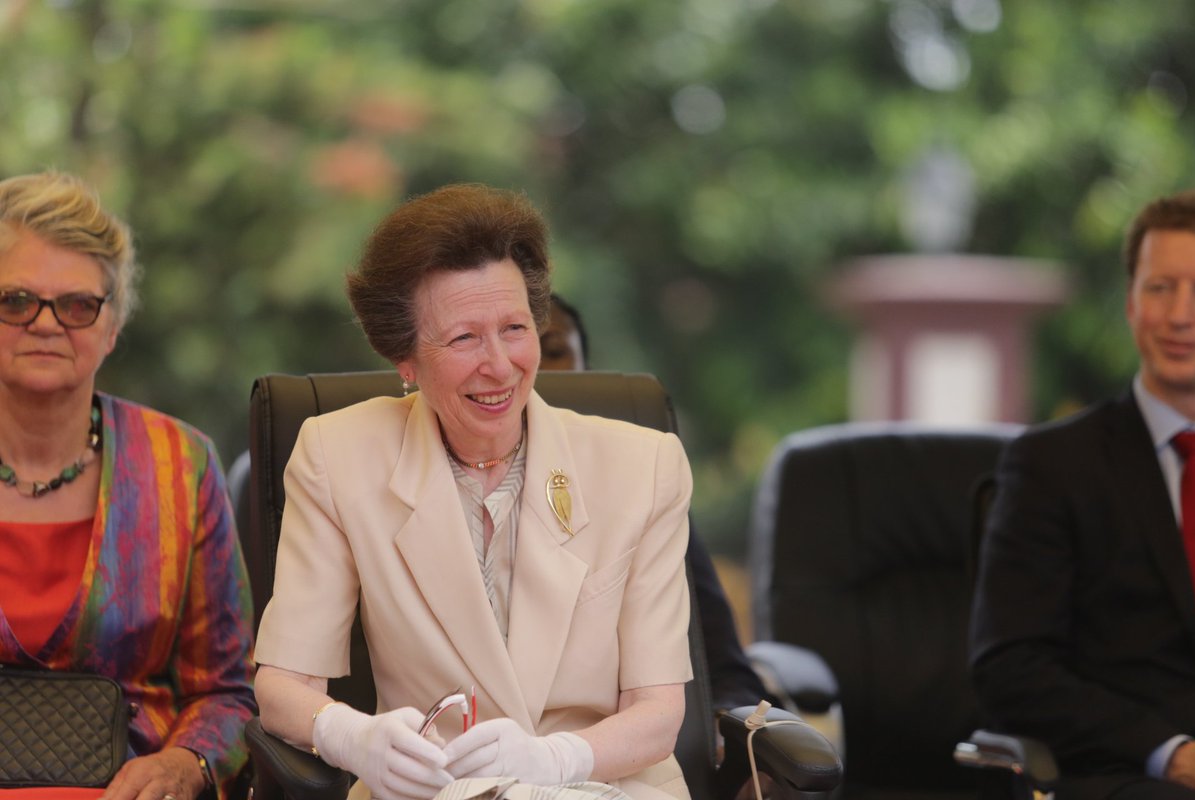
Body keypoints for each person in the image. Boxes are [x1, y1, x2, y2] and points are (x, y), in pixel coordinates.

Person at [253, 184, 694, 800]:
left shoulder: (644, 466)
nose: (499, 364)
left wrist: (555, 759)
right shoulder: (337, 456)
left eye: (514, 328)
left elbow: (658, 713)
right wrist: (350, 735)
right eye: (463, 339)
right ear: (404, 357)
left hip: (602, 787)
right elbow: (282, 687)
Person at [0, 171, 256, 800]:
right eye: (14, 301)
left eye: (78, 304)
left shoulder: (182, 463)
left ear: (112, 327)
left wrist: (186, 765)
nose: (45, 323)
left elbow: (229, 691)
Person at [970, 189, 1195, 799]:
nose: (1181, 314)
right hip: (1127, 774)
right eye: (1160, 288)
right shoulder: (1052, 465)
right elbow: (1011, 667)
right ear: (1130, 303)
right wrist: (1172, 754)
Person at [540, 293, 774, 712]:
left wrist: (731, 736)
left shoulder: (644, 494)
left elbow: (724, 670)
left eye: (552, 350)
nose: (528, 366)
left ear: (589, 375)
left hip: (625, 756)